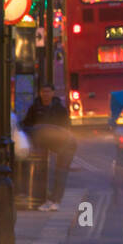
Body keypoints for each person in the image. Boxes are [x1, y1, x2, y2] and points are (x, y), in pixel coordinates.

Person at [22, 84, 76, 212]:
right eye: (43, 91)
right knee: (46, 173)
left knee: (59, 173)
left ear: (53, 93)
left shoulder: (60, 109)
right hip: (46, 145)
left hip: (64, 144)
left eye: (48, 91)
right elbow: (27, 123)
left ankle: (55, 200)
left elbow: (66, 126)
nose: (45, 94)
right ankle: (48, 200)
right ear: (40, 93)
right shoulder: (34, 108)